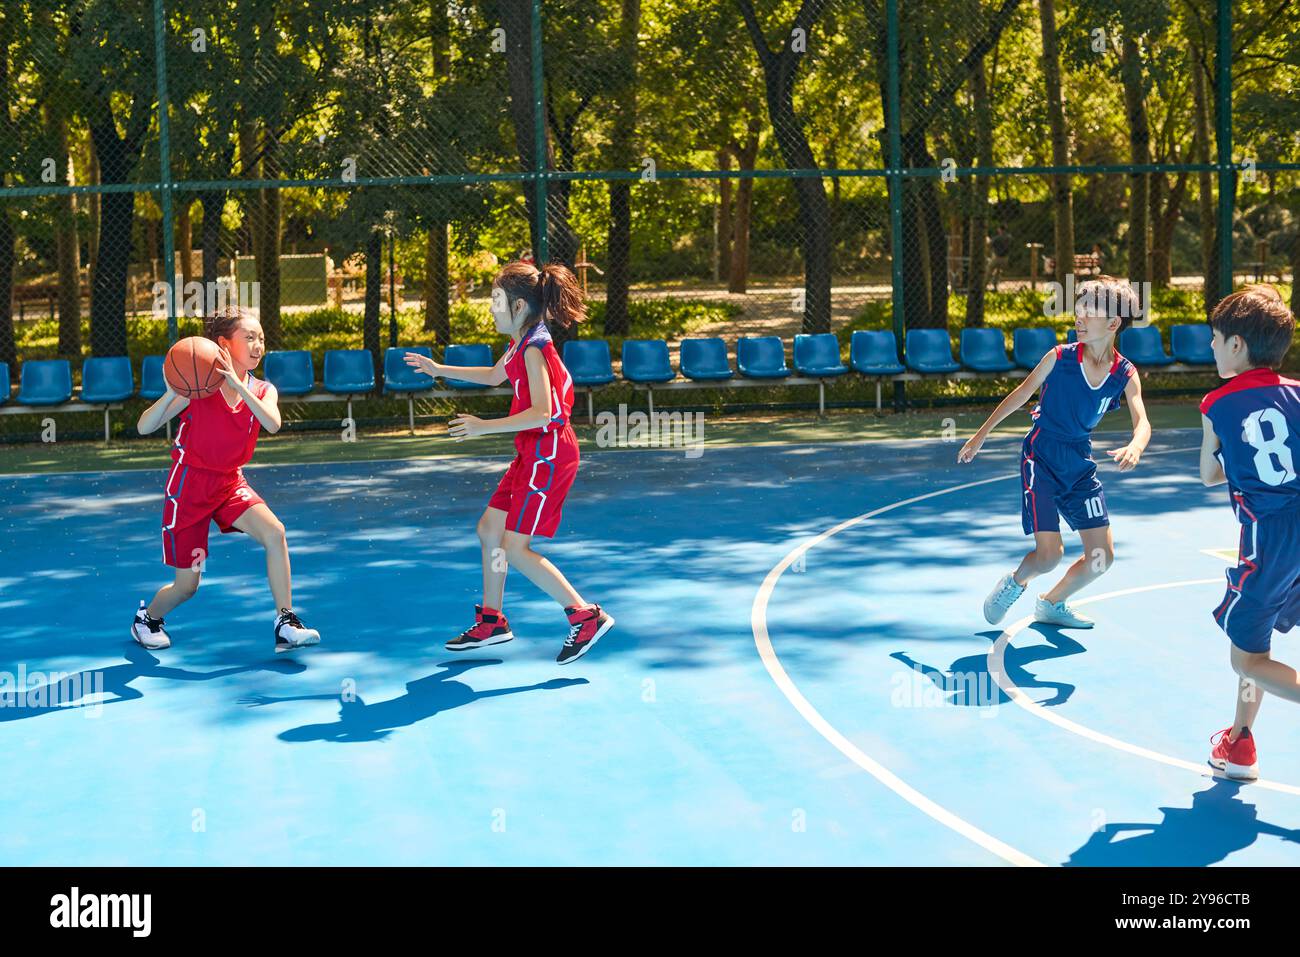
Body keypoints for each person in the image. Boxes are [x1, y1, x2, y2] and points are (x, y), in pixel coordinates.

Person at [404, 261, 614, 664]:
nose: (491, 309)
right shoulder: (522, 341)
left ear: (518, 307)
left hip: (548, 454)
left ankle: (585, 616)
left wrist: (484, 426)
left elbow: (543, 412)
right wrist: (438, 369)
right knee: (489, 529)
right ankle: (493, 621)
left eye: (496, 301)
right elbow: (496, 375)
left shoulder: (535, 349)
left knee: (516, 549)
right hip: (531, 453)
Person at [958, 276, 1151, 628]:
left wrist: (1136, 445)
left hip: (1079, 463)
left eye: (1089, 311)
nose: (1078, 316)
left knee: (1100, 558)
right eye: (1077, 309)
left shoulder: (1124, 373)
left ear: (1112, 323)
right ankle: (1015, 582)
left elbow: (1143, 420)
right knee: (1049, 557)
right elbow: (1020, 394)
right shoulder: (1060, 358)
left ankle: (1051, 603)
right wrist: (980, 435)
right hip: (1042, 455)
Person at [131, 306, 321, 654]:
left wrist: (238, 385)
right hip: (189, 487)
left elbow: (273, 423)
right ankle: (148, 619)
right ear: (223, 343)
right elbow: (144, 427)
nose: (257, 345)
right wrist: (174, 393)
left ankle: (286, 622)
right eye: (249, 337)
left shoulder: (263, 389)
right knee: (188, 586)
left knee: (275, 532)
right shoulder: (197, 386)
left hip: (230, 483)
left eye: (261, 338)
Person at [1198, 285, 1300, 780]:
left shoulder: (1217, 403)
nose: (1211, 347)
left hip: (1271, 541)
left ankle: (1240, 741)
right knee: (1258, 647)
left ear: (1236, 344)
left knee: (1248, 659)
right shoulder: (1298, 392)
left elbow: (1210, 474)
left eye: (1215, 338)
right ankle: (1239, 744)